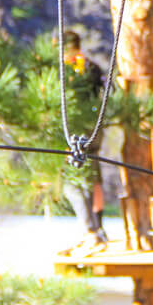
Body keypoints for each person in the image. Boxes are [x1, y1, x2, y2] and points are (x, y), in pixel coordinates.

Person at [61, 29, 108, 247]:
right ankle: (98, 228)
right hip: (94, 130)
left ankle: (90, 231)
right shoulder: (91, 66)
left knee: (73, 184)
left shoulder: (66, 70)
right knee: (93, 179)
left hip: (75, 133)